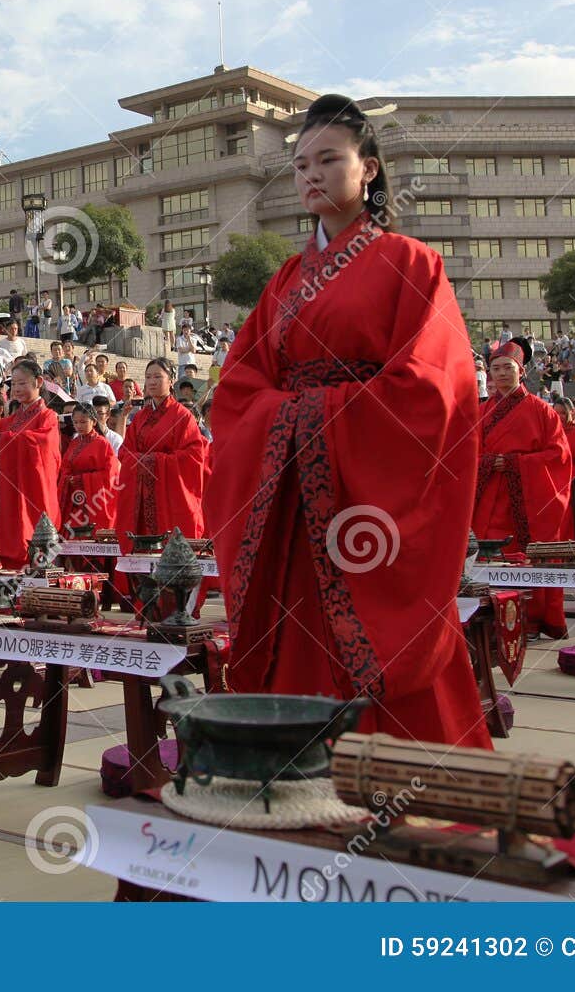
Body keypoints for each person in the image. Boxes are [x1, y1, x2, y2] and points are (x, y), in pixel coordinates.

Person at [203, 94, 489, 749]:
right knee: (293, 633)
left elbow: (429, 389)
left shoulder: (413, 263)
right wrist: (295, 421)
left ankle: (397, 784)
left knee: (377, 646)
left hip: (366, 502)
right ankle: (290, 771)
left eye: (329, 159)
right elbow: (240, 391)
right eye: (300, 164)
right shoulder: (281, 282)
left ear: (370, 170)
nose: (310, 174)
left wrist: (310, 418)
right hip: (294, 507)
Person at [472, 343, 572, 639]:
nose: (502, 374)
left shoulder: (542, 411)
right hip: (488, 493)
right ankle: (489, 615)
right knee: (487, 551)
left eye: (508, 367)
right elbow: (467, 456)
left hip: (527, 498)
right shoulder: (482, 412)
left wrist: (515, 464)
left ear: (522, 371)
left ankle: (530, 618)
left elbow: (558, 456)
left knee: (523, 552)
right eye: (496, 368)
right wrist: (490, 463)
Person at [0, 359, 62, 568]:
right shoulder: (13, 420)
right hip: (9, 495)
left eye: (22, 383)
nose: (17, 389)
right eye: (13, 384)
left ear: (39, 382)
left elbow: (43, 446)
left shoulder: (47, 416)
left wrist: (3, 440)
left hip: (27, 494)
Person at [116, 359, 208, 542]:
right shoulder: (141, 417)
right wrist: (143, 461)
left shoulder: (183, 416)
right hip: (141, 495)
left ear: (171, 380)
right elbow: (125, 452)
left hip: (169, 497)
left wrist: (152, 460)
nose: (152, 382)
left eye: (158, 376)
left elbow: (193, 456)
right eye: (148, 377)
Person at [60, 406, 119, 532]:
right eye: (75, 422)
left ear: (94, 422)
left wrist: (81, 480)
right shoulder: (74, 443)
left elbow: (110, 474)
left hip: (94, 500)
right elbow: (65, 467)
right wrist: (67, 479)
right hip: (73, 498)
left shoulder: (102, 444)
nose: (79, 426)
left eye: (83, 422)